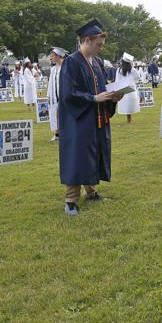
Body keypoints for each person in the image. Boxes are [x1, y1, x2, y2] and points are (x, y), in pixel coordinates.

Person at [59, 19, 120, 216]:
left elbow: (102, 88)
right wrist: (94, 98)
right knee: (77, 155)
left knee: (94, 153)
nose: (100, 49)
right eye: (98, 45)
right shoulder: (72, 61)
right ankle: (70, 200)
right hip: (78, 118)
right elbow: (68, 93)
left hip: (97, 116)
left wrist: (112, 96)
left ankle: (91, 191)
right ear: (86, 40)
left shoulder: (98, 62)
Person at [48, 47, 68, 142]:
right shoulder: (53, 69)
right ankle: (57, 134)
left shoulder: (66, 67)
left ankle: (66, 133)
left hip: (64, 95)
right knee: (55, 114)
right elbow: (50, 83)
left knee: (65, 114)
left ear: (59, 56)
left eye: (53, 56)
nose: (51, 58)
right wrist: (49, 95)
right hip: (54, 95)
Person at [115, 52, 140, 123]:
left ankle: (129, 117)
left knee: (126, 104)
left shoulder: (119, 70)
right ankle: (129, 118)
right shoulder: (133, 70)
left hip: (123, 89)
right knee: (130, 104)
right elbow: (137, 77)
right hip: (131, 89)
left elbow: (117, 80)